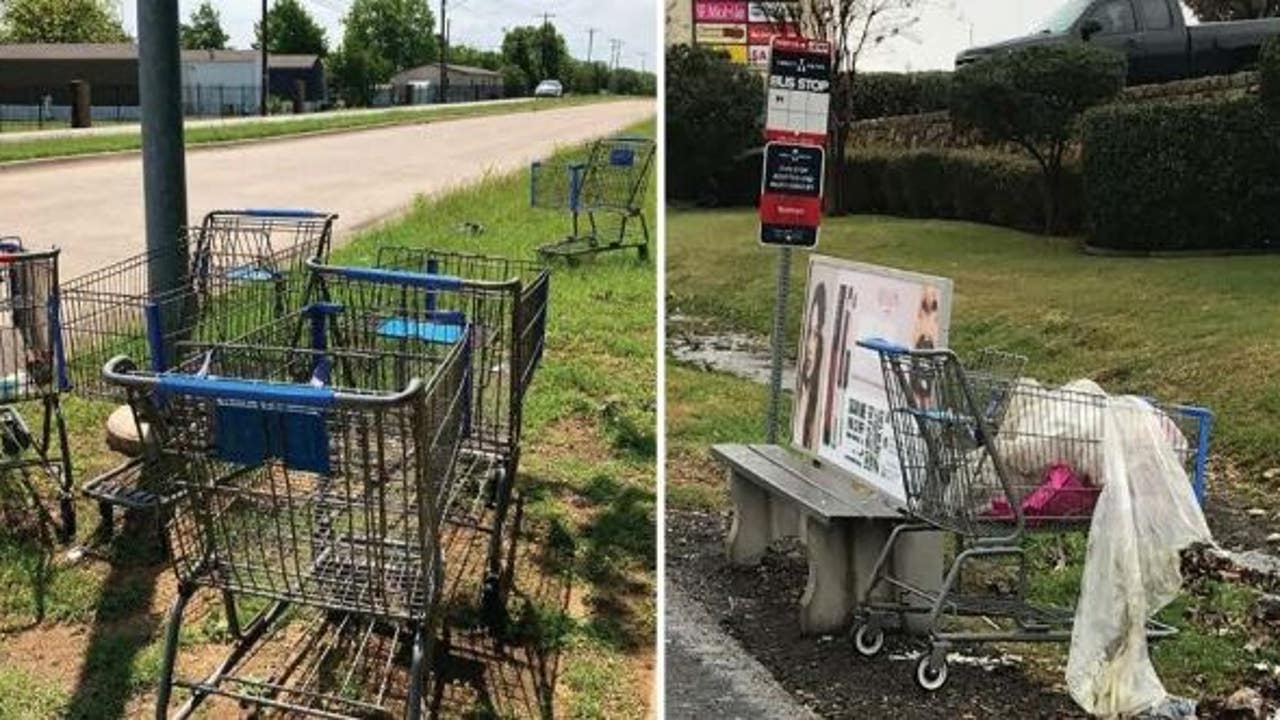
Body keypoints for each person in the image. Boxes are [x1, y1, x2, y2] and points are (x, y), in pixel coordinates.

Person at [796, 283, 827, 450]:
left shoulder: (821, 404)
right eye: (809, 332)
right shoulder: (803, 395)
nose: (808, 346)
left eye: (816, 334)